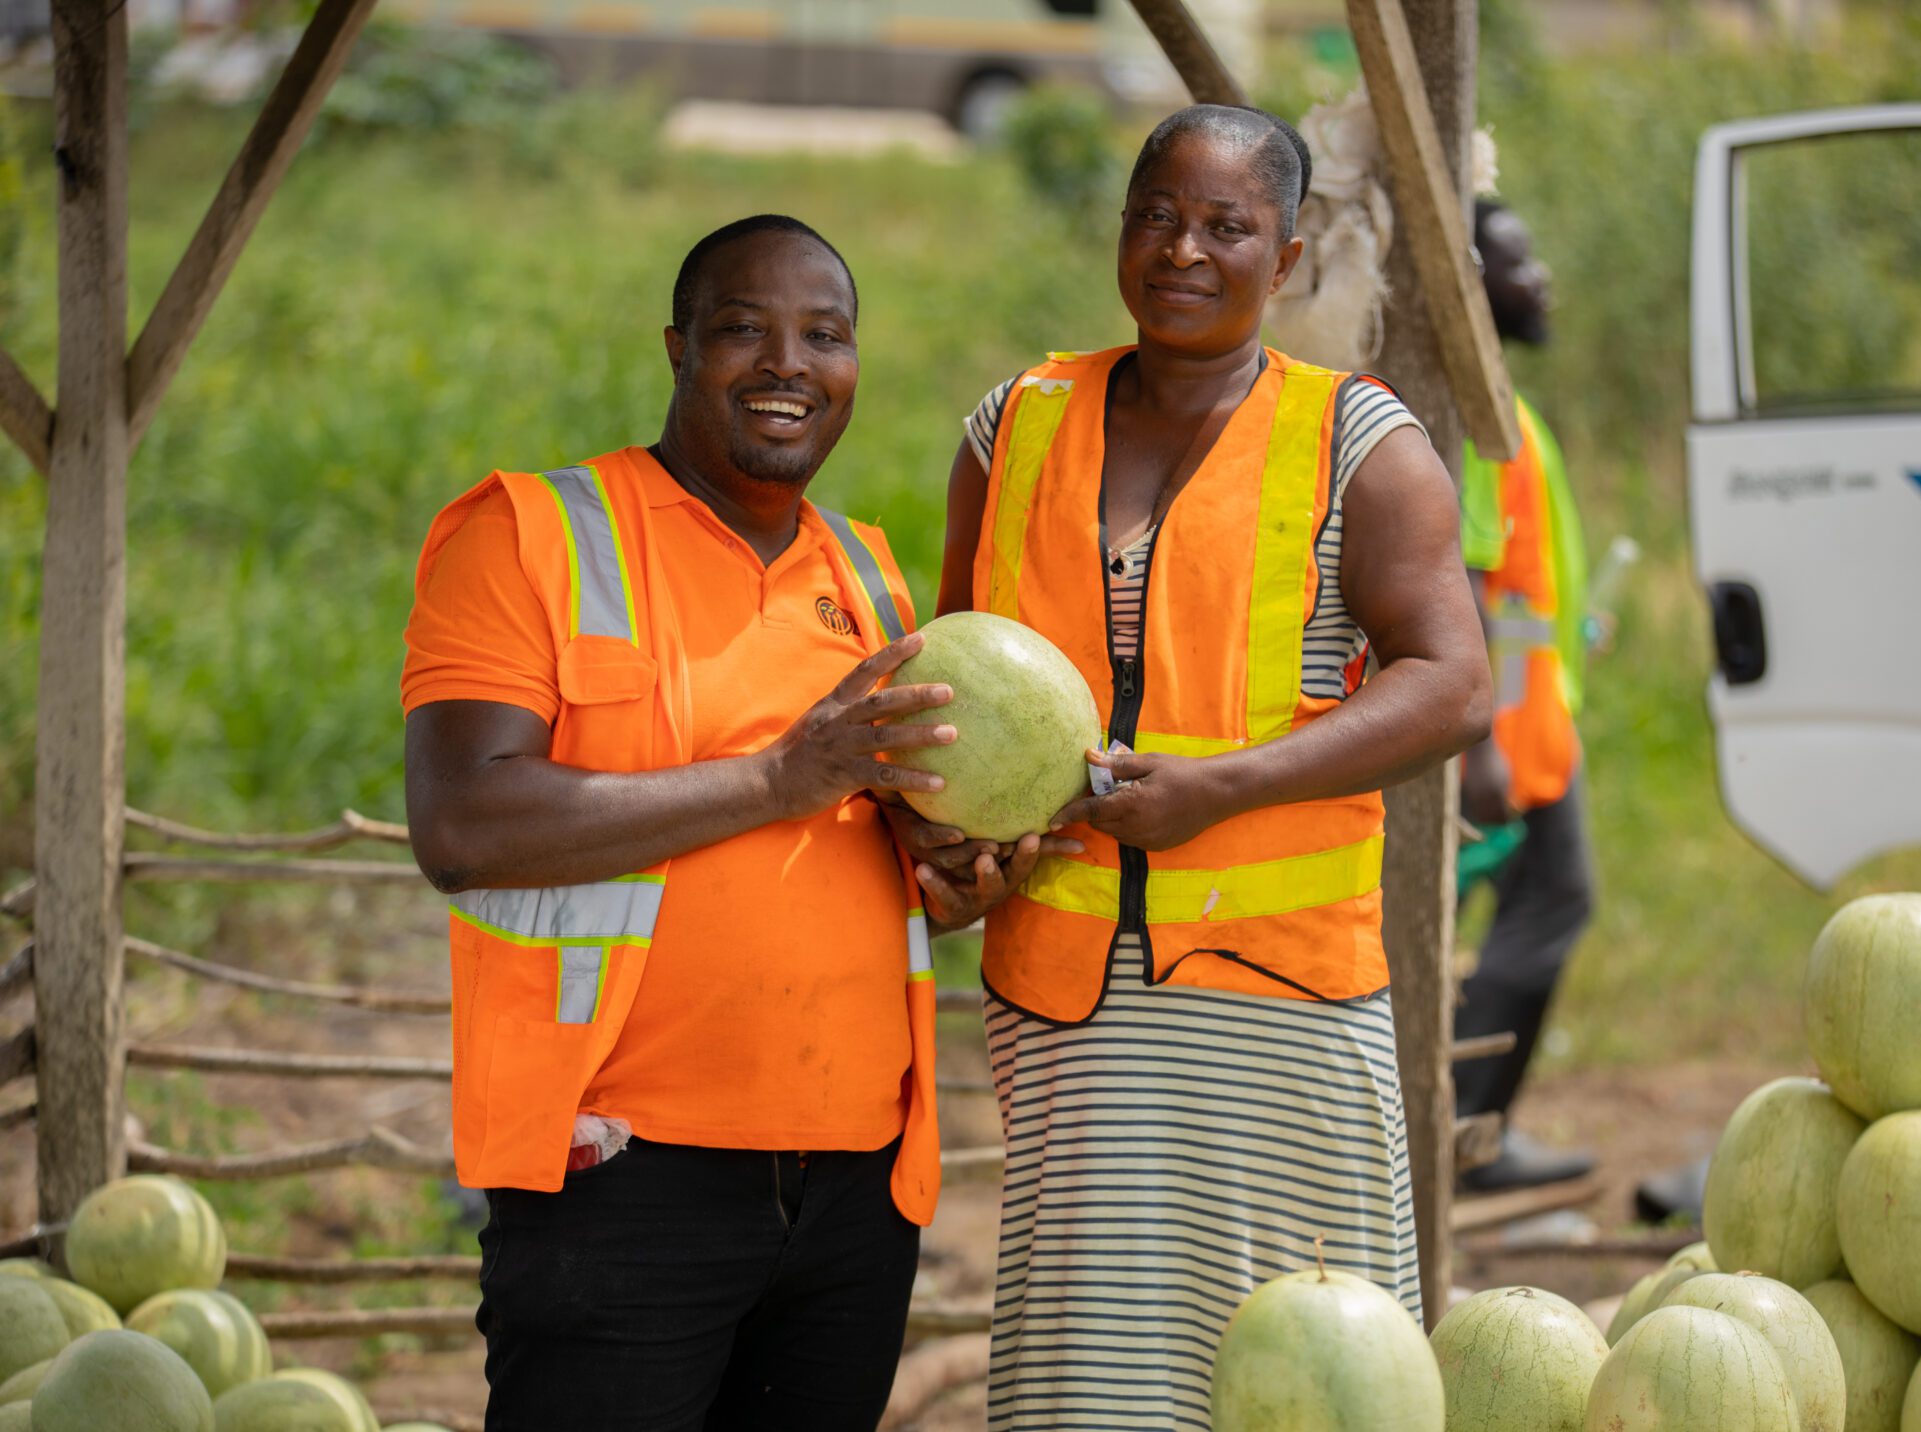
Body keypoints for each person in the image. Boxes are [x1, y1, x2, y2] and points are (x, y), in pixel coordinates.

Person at [900, 105, 1493, 1429]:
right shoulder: (1015, 426)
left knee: (1301, 1371)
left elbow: (1453, 683)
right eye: (1157, 214)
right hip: (1068, 1006)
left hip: (1278, 1003)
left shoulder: (1358, 444)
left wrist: (1218, 788)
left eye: (1227, 226)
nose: (1183, 249)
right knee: (1095, 1376)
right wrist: (944, 839)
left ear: (1285, 259)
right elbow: (953, 675)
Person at [400, 215, 1035, 1431]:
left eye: (826, 335)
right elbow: (462, 824)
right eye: (744, 329)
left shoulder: (868, 576)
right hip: (622, 1175)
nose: (787, 363)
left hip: (854, 1186)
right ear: (678, 348)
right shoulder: (530, 534)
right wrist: (775, 777)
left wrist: (949, 877)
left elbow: (861, 853)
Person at [1452, 199, 1599, 1192]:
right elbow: (1461, 581)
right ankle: (1460, 1129)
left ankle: (1469, 1129)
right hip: (1496, 744)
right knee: (1546, 901)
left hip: (1529, 729)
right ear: (1465, 278)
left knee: (1544, 902)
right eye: (1515, 260)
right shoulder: (1471, 412)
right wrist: (1477, 749)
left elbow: (1519, 584)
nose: (1536, 275)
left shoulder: (1504, 408)